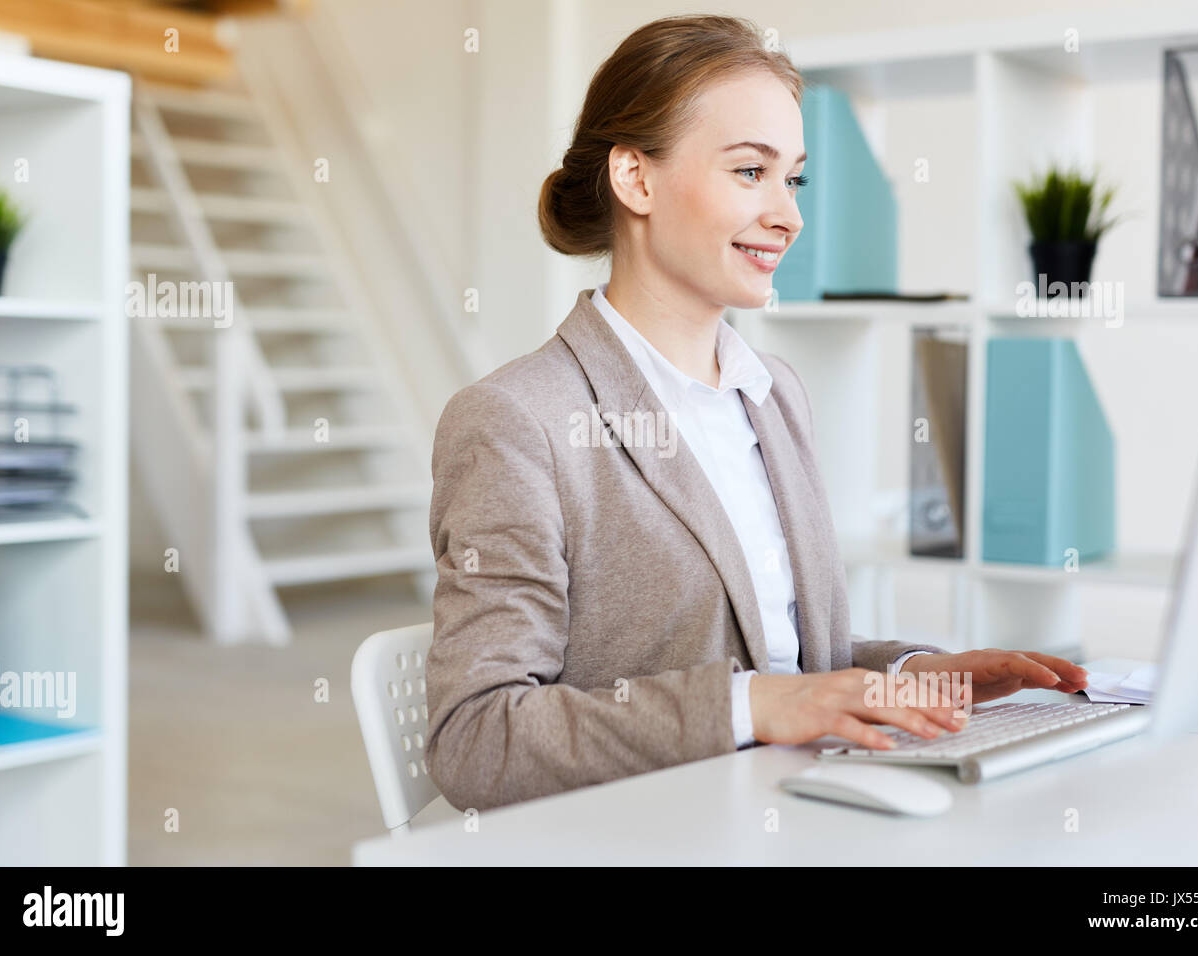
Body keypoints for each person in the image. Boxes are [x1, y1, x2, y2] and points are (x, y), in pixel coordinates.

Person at [424, 13, 1088, 812]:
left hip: (788, 807)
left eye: (794, 178)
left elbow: (784, 659)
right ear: (635, 179)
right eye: (750, 172)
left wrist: (918, 675)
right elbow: (475, 739)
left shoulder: (772, 391)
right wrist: (752, 705)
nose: (789, 215)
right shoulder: (515, 421)